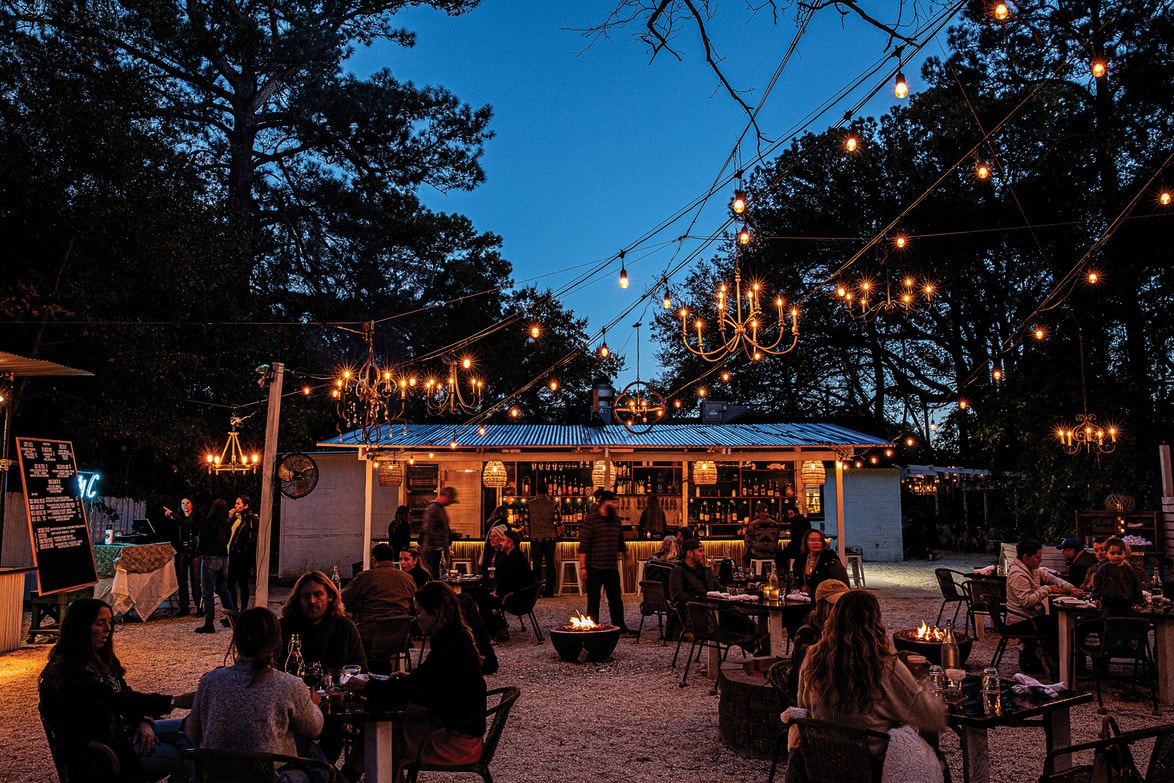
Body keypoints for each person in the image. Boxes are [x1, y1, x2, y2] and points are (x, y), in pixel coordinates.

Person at [795, 590, 948, 781]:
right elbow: (932, 717)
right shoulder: (884, 667)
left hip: (823, 764)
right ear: (875, 621)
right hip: (873, 769)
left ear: (834, 619)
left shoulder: (812, 659)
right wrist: (925, 683)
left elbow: (803, 705)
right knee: (937, 762)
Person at [344, 582, 487, 781]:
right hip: (458, 728)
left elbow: (413, 690)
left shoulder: (449, 643)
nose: (417, 618)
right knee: (378, 733)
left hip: (454, 741)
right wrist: (411, 679)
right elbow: (430, 683)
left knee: (384, 737)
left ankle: (344, 777)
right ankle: (344, 777)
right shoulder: (456, 637)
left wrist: (366, 686)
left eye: (420, 612)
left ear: (435, 614)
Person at [39, 598, 188, 782]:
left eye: (110, 622)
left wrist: (144, 721)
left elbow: (125, 693)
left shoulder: (98, 658)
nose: (108, 629)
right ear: (81, 628)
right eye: (100, 623)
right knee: (186, 757)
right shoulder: (68, 672)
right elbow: (116, 701)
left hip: (125, 728)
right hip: (105, 747)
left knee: (190, 728)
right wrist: (174, 701)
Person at [187, 606, 338, 783]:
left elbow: (192, 732)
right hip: (271, 778)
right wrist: (314, 705)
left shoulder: (211, 681)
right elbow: (314, 729)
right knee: (319, 766)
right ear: (278, 641)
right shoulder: (289, 684)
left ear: (236, 641)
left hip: (215, 777)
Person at [1006, 536, 1082, 673]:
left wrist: (1070, 588)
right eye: (1037, 557)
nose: (1040, 560)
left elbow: (1052, 578)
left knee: (1055, 617)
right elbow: (1026, 601)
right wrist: (1047, 589)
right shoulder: (1018, 574)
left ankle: (1058, 661)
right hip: (1021, 619)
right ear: (1026, 557)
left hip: (1031, 616)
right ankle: (1054, 663)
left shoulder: (1033, 569)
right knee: (1056, 624)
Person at [668, 539, 759, 650]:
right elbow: (677, 595)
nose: (703, 554)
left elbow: (719, 589)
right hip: (696, 614)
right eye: (700, 551)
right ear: (689, 553)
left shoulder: (706, 571)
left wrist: (735, 594)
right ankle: (755, 648)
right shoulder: (678, 571)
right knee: (738, 622)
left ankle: (757, 648)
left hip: (715, 609)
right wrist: (701, 599)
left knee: (744, 620)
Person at [280, 570, 367, 673]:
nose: (312, 601)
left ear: (330, 596)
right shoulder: (284, 627)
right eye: (306, 596)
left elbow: (360, 669)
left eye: (318, 594)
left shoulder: (345, 627)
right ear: (299, 599)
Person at [578, 489, 632, 632]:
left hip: (611, 566)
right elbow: (583, 545)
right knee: (594, 599)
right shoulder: (592, 520)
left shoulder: (616, 520)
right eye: (613, 502)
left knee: (615, 598)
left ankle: (619, 626)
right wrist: (583, 567)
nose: (616, 505)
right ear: (604, 502)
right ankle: (592, 625)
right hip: (594, 566)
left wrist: (627, 556)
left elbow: (621, 542)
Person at [786, 578, 848, 695]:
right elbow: (807, 675)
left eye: (844, 604)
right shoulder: (808, 633)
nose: (841, 610)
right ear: (822, 606)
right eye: (835, 605)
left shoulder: (848, 629)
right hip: (812, 693)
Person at [341, 543, 417, 639]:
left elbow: (344, 602)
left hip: (369, 634)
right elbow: (414, 607)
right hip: (399, 634)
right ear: (392, 560)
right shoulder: (408, 579)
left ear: (373, 559)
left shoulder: (364, 577)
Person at [477, 528, 536, 642]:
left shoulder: (512, 559)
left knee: (483, 601)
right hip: (521, 595)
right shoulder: (516, 556)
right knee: (486, 596)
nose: (500, 542)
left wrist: (498, 593)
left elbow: (508, 580)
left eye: (503, 540)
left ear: (510, 544)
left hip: (518, 598)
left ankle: (491, 632)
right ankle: (500, 628)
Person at [195, 498, 237, 633]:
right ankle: (233, 618)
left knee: (207, 591)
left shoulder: (209, 523)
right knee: (223, 589)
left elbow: (192, 525)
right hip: (224, 558)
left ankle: (209, 623)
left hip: (210, 557)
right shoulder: (226, 524)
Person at [162, 497, 200, 616]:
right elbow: (171, 531)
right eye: (183, 503)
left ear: (192, 504)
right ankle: (184, 606)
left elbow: (189, 525)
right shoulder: (177, 518)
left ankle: (199, 605)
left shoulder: (195, 517)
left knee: (195, 578)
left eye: (188, 503)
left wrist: (173, 515)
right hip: (181, 550)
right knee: (181, 578)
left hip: (194, 551)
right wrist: (169, 518)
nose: (185, 505)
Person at [1090, 535, 1144, 615]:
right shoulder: (1103, 569)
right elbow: (1097, 583)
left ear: (1124, 554)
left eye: (1119, 553)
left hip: (1126, 604)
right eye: (1112, 553)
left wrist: (1138, 601)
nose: (1116, 556)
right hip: (1108, 604)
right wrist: (1096, 597)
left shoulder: (1128, 570)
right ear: (1107, 553)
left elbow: (1136, 585)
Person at [790, 529, 848, 597]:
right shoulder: (800, 561)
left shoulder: (829, 559)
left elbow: (844, 584)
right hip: (805, 599)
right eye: (812, 540)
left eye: (819, 540)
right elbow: (796, 583)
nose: (816, 543)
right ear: (806, 542)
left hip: (828, 599)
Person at [227, 495, 259, 613]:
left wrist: (243, 550)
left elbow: (252, 538)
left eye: (238, 503)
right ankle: (233, 609)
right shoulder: (238, 519)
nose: (236, 506)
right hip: (234, 555)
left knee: (242, 582)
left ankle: (243, 609)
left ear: (246, 505)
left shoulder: (251, 519)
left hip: (243, 557)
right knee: (230, 583)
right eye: (236, 503)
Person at [527, 485, 559, 597]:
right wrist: (557, 533)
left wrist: (530, 534)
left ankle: (537, 590)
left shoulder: (530, 504)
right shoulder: (553, 504)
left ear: (536, 491)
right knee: (550, 565)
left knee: (537, 565)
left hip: (536, 538)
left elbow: (527, 523)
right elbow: (558, 523)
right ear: (547, 492)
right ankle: (550, 590)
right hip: (550, 538)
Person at [420, 487, 458, 578]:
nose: (450, 503)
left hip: (437, 550)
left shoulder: (438, 508)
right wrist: (438, 547)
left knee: (439, 577)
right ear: (446, 496)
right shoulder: (434, 509)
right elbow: (428, 529)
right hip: (434, 551)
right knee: (436, 577)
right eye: (450, 500)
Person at [776, 507, 812, 574]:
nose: (789, 515)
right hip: (806, 549)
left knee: (779, 555)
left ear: (796, 513)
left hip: (797, 550)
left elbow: (795, 540)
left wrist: (789, 545)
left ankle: (788, 571)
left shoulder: (795, 522)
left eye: (791, 513)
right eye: (788, 514)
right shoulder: (805, 520)